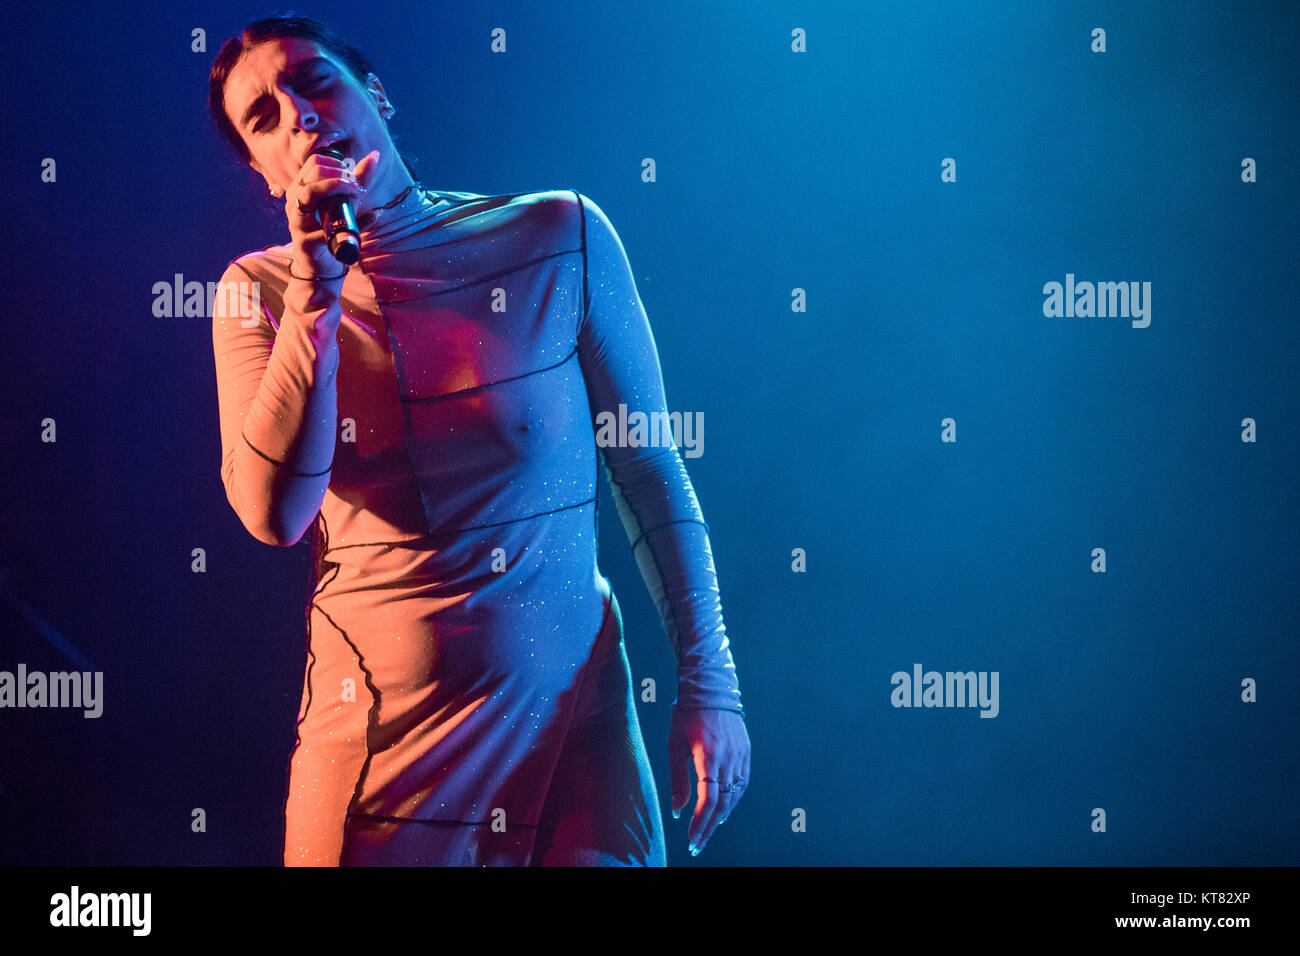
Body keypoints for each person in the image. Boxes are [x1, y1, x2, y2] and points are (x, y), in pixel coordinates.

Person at [207, 15, 749, 866]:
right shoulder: (258, 293)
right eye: (263, 119)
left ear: (374, 95)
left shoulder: (557, 235)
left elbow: (646, 464)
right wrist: (316, 294)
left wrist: (710, 681)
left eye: (312, 82)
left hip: (577, 726)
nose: (299, 116)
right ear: (262, 172)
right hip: (385, 750)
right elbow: (274, 514)